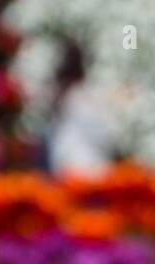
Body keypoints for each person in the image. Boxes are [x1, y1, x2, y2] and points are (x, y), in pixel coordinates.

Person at [40, 40, 124, 175]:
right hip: (83, 163)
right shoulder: (82, 96)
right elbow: (103, 132)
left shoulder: (61, 93)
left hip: (64, 160)